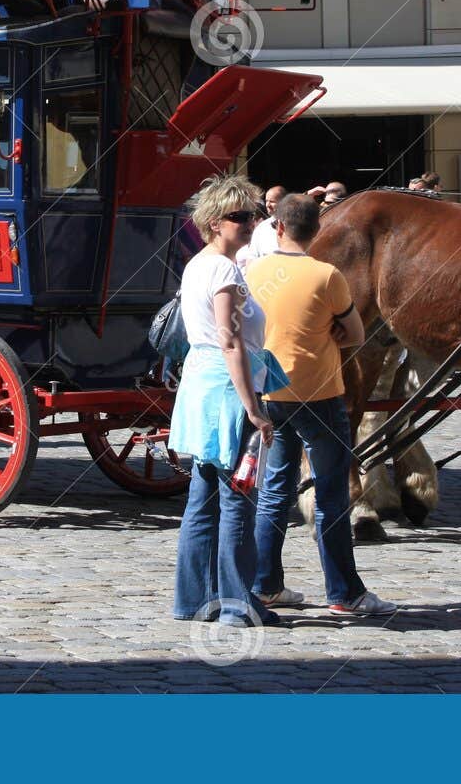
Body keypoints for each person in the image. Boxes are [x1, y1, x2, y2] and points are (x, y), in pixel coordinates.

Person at [245, 194, 395, 616]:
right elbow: (355, 333)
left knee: (275, 492)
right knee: (331, 496)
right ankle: (344, 592)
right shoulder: (327, 276)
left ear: (277, 226)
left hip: (271, 390)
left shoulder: (256, 271)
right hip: (319, 392)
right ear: (318, 232)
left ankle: (266, 584)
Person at [167, 174, 288, 629]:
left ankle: (194, 599)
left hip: (203, 385)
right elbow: (231, 340)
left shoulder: (199, 263)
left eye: (254, 214)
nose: (251, 222)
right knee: (238, 498)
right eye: (241, 216)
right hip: (226, 391)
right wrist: (254, 409)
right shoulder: (222, 269)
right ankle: (237, 606)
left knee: (203, 499)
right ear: (215, 222)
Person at [236, 183, 284, 269]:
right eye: (266, 201)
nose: (268, 205)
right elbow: (251, 257)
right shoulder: (261, 228)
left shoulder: (295, 225)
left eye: (272, 201)